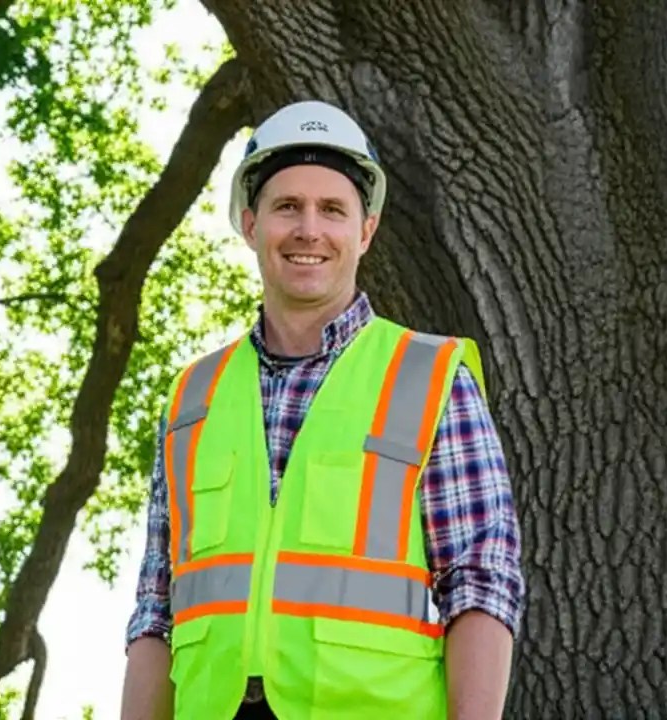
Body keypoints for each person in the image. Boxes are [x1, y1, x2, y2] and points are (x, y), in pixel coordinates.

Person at [118, 100, 525, 720]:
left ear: (365, 231)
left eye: (332, 209)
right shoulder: (191, 398)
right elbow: (156, 609)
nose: (309, 229)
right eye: (288, 207)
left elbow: (481, 583)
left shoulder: (429, 377)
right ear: (251, 226)